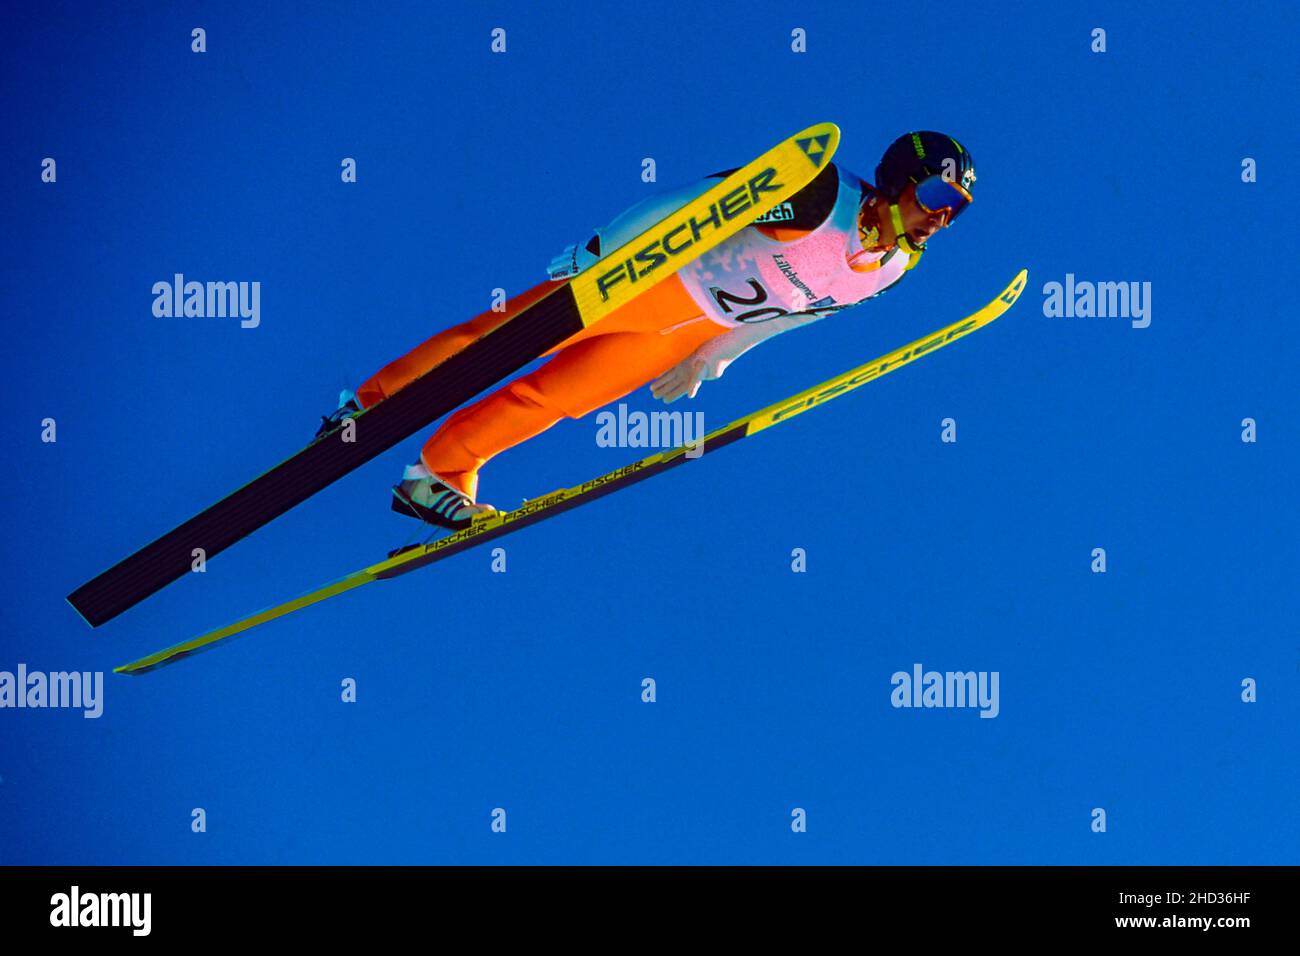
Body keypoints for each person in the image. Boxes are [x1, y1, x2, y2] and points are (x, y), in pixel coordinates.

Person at [330, 131, 976, 530]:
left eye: (957, 212)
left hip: (680, 334)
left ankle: (438, 476)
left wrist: (713, 358)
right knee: (494, 343)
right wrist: (603, 247)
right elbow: (695, 201)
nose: (941, 221)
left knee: (551, 401)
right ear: (899, 182)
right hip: (642, 283)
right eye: (939, 200)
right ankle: (370, 404)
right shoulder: (820, 195)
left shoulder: (891, 272)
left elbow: (793, 317)